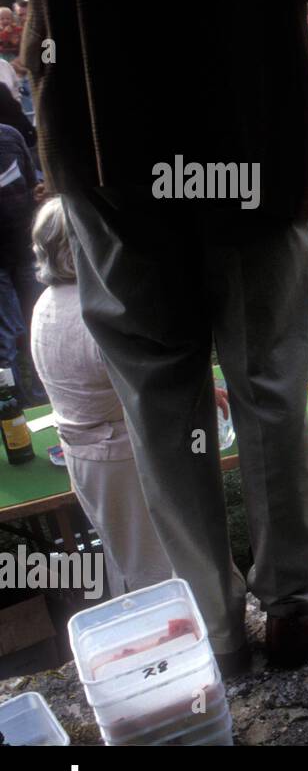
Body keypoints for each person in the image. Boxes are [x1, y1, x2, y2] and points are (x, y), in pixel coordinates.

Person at [12, 0, 308, 674]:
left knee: (160, 395)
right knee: (267, 378)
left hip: (105, 137)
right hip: (247, 125)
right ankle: (292, 604)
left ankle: (215, 627)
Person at [29, 196, 174, 597]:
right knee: (153, 566)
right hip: (117, 453)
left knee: (123, 555)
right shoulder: (96, 314)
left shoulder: (47, 303)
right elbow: (150, 393)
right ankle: (173, 642)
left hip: (86, 452)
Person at [0, 120, 42, 405]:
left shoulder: (10, 137)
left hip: (25, 250)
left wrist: (37, 192)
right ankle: (12, 407)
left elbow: (31, 182)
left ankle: (46, 399)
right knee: (5, 341)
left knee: (39, 325)